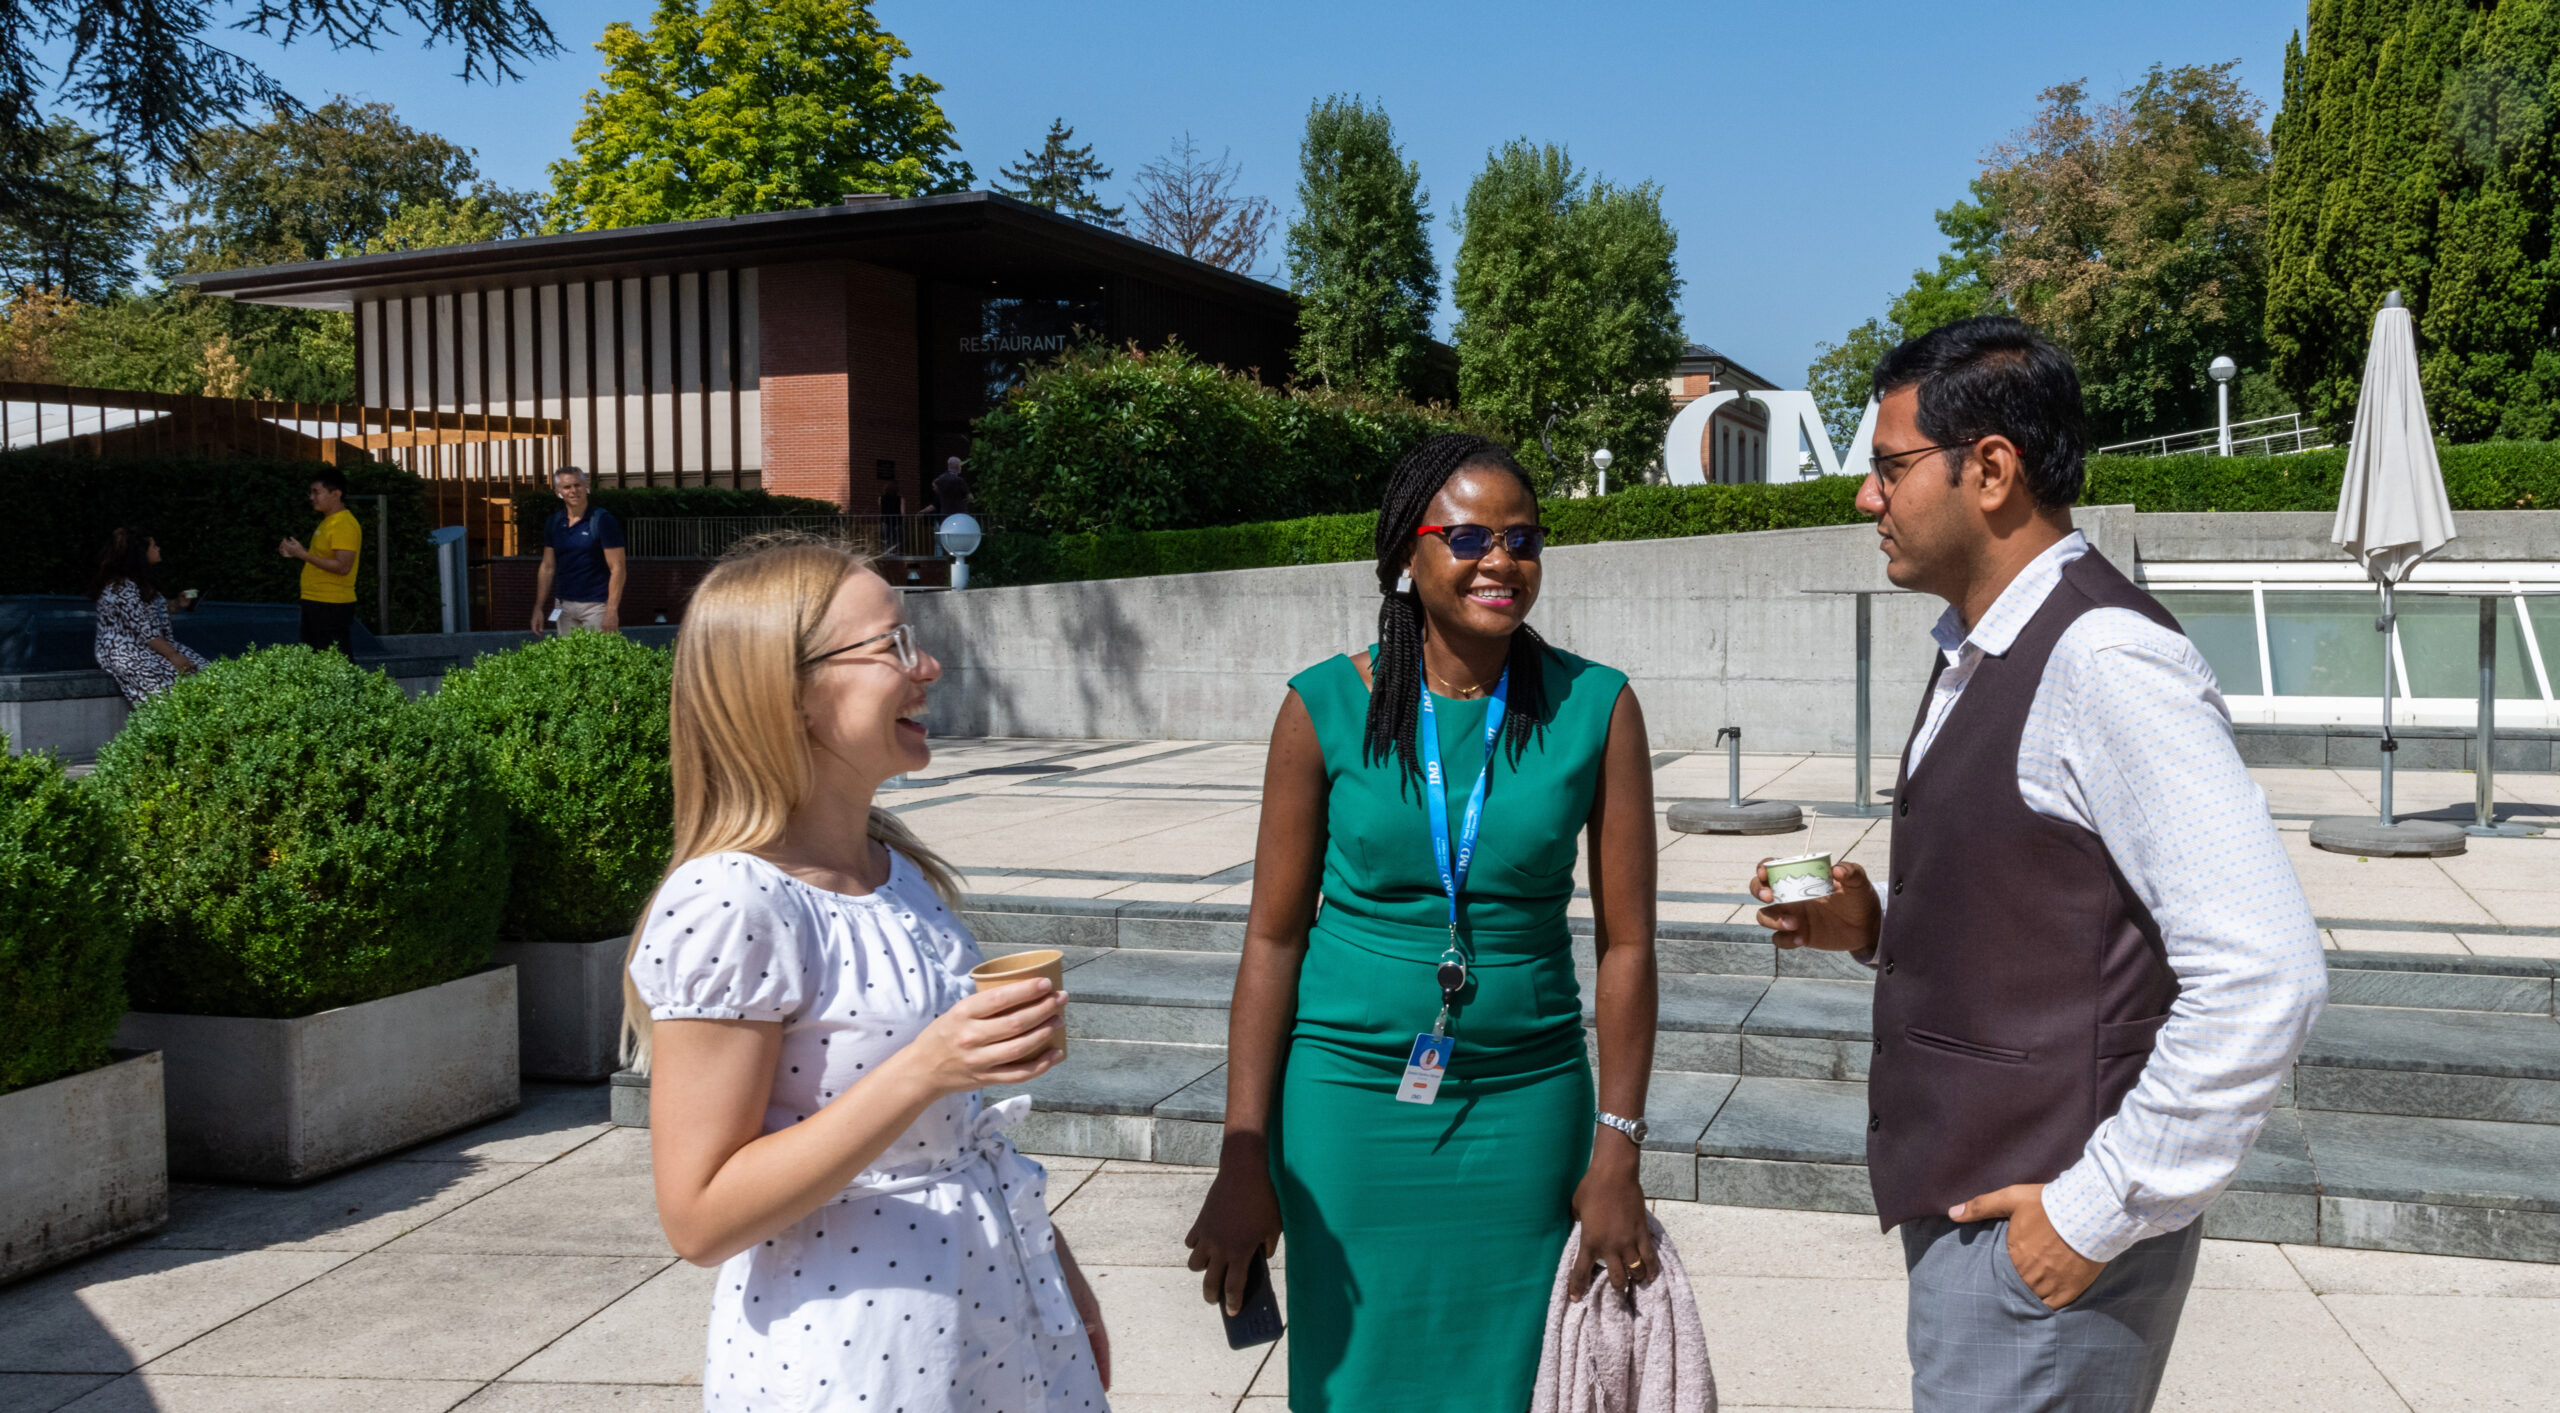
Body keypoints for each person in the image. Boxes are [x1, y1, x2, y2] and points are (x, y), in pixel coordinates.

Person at [1749, 318, 2326, 1413]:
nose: (1867, 498)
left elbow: (2267, 973)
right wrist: (1878, 928)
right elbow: (2059, 912)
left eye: (1890, 467)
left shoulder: (2106, 658)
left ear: (1991, 470)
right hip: (1987, 1220)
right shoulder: (1987, 646)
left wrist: (2092, 1211)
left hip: (2042, 1242)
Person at [1185, 434, 1662, 1412]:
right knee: (1357, 1379)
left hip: (1526, 1100)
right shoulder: (1322, 706)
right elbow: (1272, 940)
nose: (1502, 561)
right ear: (1409, 552)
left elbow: (1629, 945)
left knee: (1515, 1376)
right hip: (1348, 1101)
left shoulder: (1595, 706)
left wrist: (1617, 1143)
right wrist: (1242, 1152)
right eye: (1470, 537)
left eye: (1523, 538)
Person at [624, 536, 1110, 1412]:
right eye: (893, 645)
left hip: (989, 1321)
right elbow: (698, 1214)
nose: (928, 666)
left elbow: (965, 1136)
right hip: (856, 1360)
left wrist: (1057, 1274)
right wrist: (925, 1067)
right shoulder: (732, 899)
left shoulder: (895, 869)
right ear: (791, 690)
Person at [91, 526, 205, 704]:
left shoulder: (138, 584)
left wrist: (177, 604)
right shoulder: (121, 588)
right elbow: (145, 630)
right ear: (140, 554)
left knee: (205, 672)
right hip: (129, 652)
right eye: (153, 546)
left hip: (149, 647)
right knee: (171, 692)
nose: (158, 548)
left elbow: (148, 615)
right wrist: (173, 656)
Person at [530, 466, 626, 633]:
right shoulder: (554, 522)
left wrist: (611, 610)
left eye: (577, 485)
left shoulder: (602, 520)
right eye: (567, 487)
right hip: (563, 605)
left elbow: (618, 568)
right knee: (566, 651)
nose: (573, 491)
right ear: (558, 493)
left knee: (599, 651)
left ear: (586, 486)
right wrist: (538, 607)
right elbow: (547, 567)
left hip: (596, 606)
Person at [279, 468, 361, 653]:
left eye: (316, 492)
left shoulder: (343, 524)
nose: (311, 497)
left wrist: (303, 554)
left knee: (334, 659)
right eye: (311, 492)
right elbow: (325, 558)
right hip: (318, 601)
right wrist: (296, 552)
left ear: (336, 494)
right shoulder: (329, 522)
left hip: (331, 603)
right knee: (319, 658)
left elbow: (343, 567)